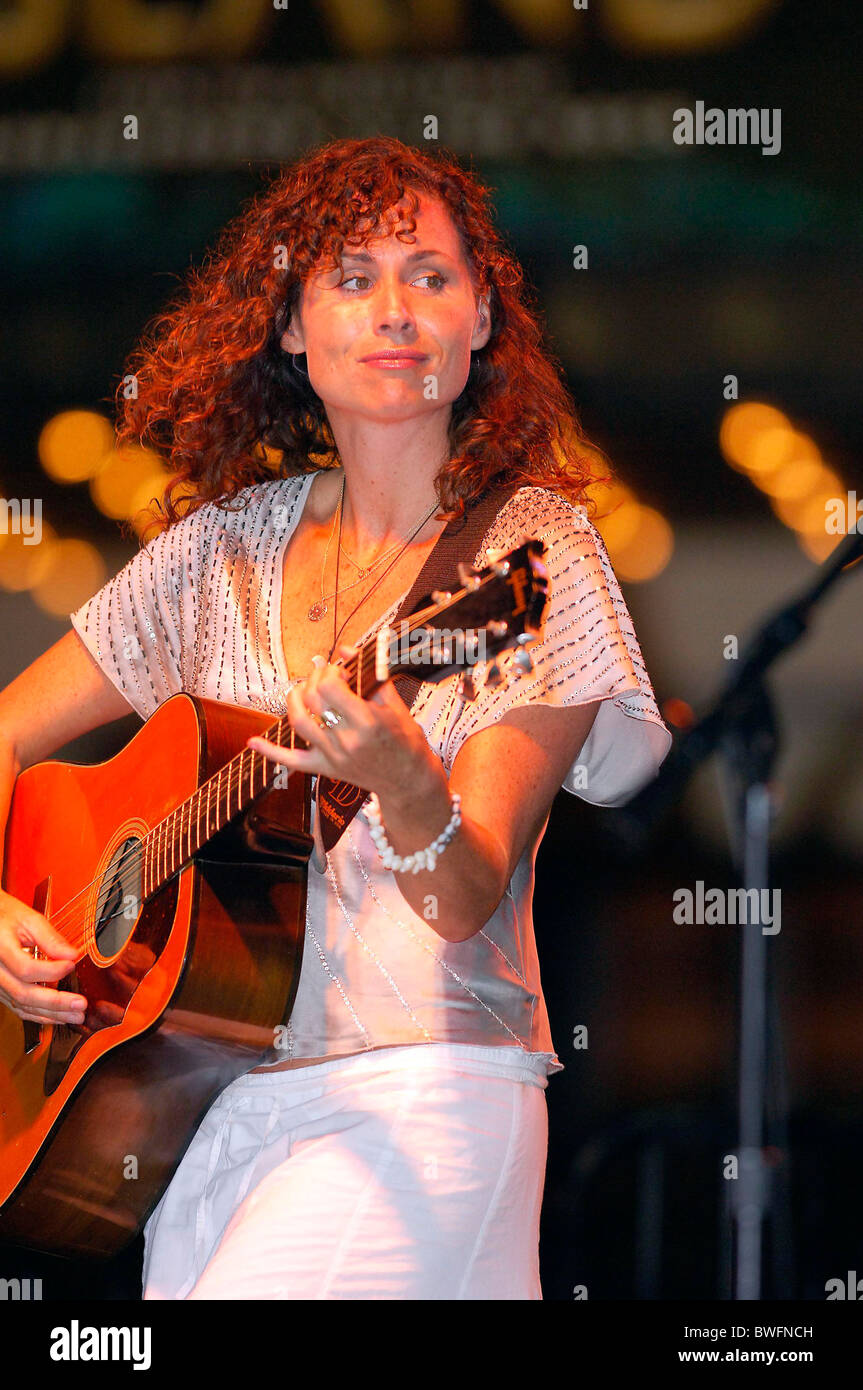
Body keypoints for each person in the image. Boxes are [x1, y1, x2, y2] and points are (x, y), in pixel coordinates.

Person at [0, 136, 671, 1299]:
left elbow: (468, 894)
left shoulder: (529, 561)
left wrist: (406, 781)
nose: (395, 308)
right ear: (291, 329)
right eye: (351, 279)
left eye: (431, 275)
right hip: (196, 1104)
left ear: (480, 323)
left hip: (417, 1098)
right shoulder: (215, 552)